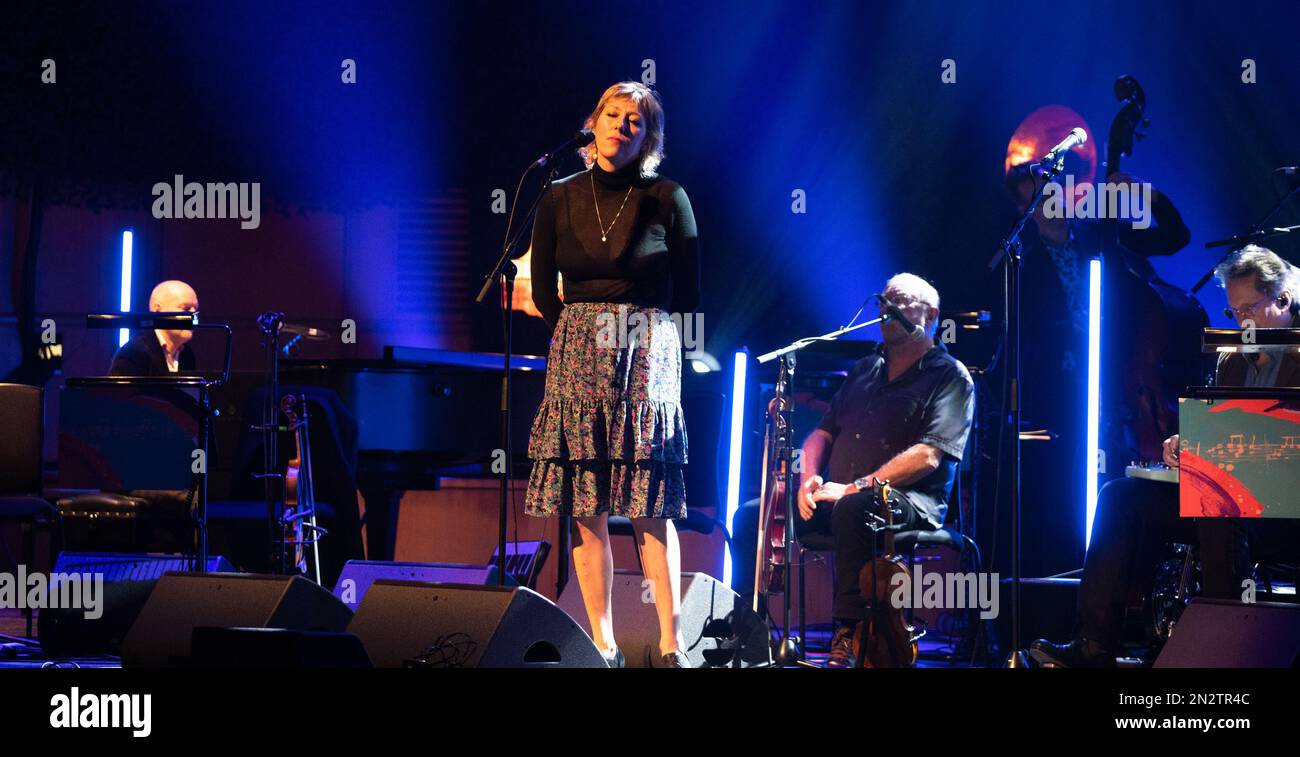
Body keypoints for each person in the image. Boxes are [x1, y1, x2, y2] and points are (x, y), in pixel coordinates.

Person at [1031, 245, 1300, 667]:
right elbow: (1224, 431)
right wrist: (1189, 441)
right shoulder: (1231, 362)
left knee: (1218, 502)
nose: (1242, 323)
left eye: (1250, 309)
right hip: (1231, 499)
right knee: (1122, 496)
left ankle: (1220, 651)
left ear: (1283, 299)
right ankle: (1093, 646)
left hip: (1286, 508)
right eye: (1234, 314)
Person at [525, 81, 700, 668]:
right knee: (586, 503)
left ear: (649, 137)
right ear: (593, 123)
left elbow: (692, 292)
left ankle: (671, 646)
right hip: (579, 351)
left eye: (637, 121)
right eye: (614, 115)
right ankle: (603, 644)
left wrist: (650, 338)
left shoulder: (668, 198)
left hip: (646, 352)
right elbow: (546, 289)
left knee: (648, 502)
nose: (623, 126)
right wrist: (581, 329)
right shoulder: (557, 195)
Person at [731, 273, 974, 667]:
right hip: (840, 495)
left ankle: (849, 634)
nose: (887, 309)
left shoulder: (949, 376)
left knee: (853, 509)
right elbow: (822, 433)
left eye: (900, 302)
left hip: (909, 501)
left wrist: (854, 487)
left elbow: (930, 455)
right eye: (884, 300)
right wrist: (807, 478)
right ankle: (748, 630)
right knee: (751, 514)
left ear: (929, 315)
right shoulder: (866, 369)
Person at [109, 279, 199, 375]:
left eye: (196, 309)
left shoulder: (187, 354)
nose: (194, 315)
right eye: (186, 308)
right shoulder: (133, 353)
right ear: (158, 311)